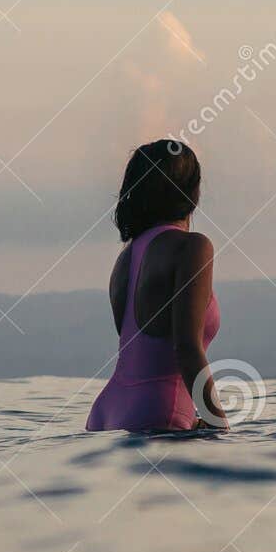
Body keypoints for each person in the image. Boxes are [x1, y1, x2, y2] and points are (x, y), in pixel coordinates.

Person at [86, 140, 227, 432]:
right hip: (157, 409)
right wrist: (219, 426)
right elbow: (186, 347)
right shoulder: (192, 247)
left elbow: (141, 352)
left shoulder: (125, 259)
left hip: (105, 414)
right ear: (193, 191)